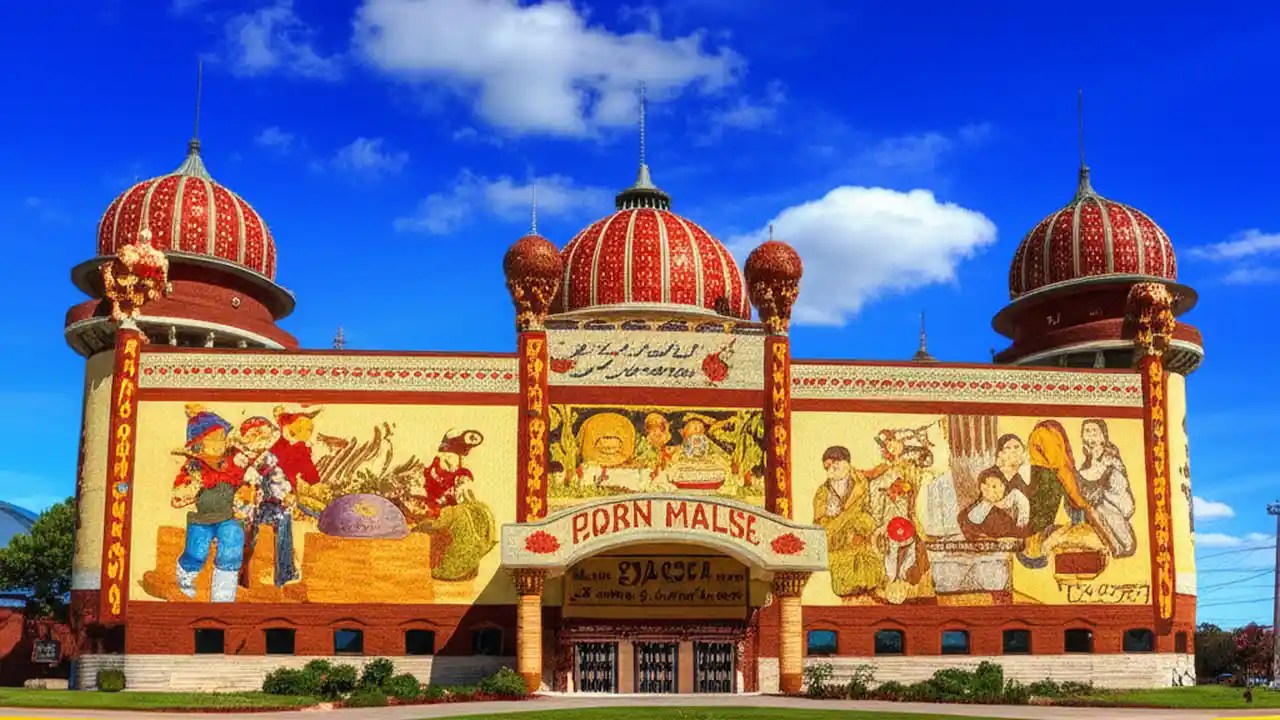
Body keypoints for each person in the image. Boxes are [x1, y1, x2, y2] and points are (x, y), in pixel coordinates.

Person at [171, 405, 244, 602]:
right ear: (199, 443)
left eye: (222, 437)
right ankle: (186, 575)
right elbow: (179, 493)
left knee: (233, 539)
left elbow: (244, 485)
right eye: (213, 438)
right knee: (197, 552)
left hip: (226, 517)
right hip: (202, 519)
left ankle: (223, 595)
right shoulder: (194, 468)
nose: (220, 443)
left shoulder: (233, 465)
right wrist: (189, 488)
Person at [812, 446, 884, 598]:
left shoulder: (859, 481)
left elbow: (878, 471)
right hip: (837, 538)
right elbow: (819, 521)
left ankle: (870, 587)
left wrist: (861, 525)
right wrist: (839, 521)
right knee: (843, 579)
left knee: (867, 565)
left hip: (861, 533)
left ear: (845, 462)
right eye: (827, 467)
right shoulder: (823, 491)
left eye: (835, 464)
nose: (831, 469)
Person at [235, 416, 298, 588]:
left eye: (262, 435)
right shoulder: (238, 458)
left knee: (284, 517)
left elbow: (278, 481)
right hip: (243, 506)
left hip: (267, 504)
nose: (258, 439)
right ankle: (240, 576)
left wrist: (284, 496)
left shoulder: (268, 458)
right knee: (243, 528)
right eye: (253, 435)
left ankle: (284, 574)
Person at [1075, 419, 1137, 558]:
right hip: (1092, 521)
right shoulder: (1085, 466)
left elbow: (1126, 505)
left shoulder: (1111, 462)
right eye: (1087, 431)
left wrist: (1099, 495)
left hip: (1115, 518)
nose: (1091, 435)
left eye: (1094, 431)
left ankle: (1116, 545)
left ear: (1103, 436)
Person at [959, 469, 1030, 539]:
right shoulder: (972, 511)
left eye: (1001, 485)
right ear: (983, 488)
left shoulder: (1014, 500)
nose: (999, 491)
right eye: (994, 486)